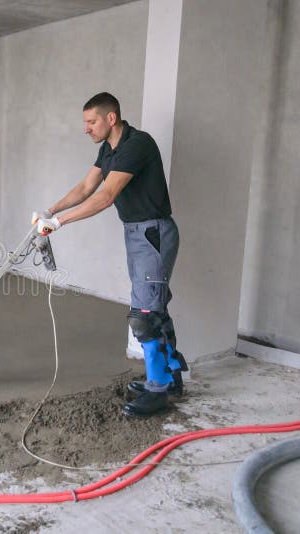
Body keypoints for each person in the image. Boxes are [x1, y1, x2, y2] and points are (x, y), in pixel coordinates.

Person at [32, 92, 187, 417]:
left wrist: (58, 223)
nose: (86, 128)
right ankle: (171, 375)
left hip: (153, 233)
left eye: (91, 122)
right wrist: (50, 210)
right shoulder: (109, 149)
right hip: (137, 232)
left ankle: (157, 390)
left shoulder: (137, 144)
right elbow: (86, 187)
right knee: (154, 306)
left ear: (111, 118)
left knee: (144, 315)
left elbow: (106, 196)